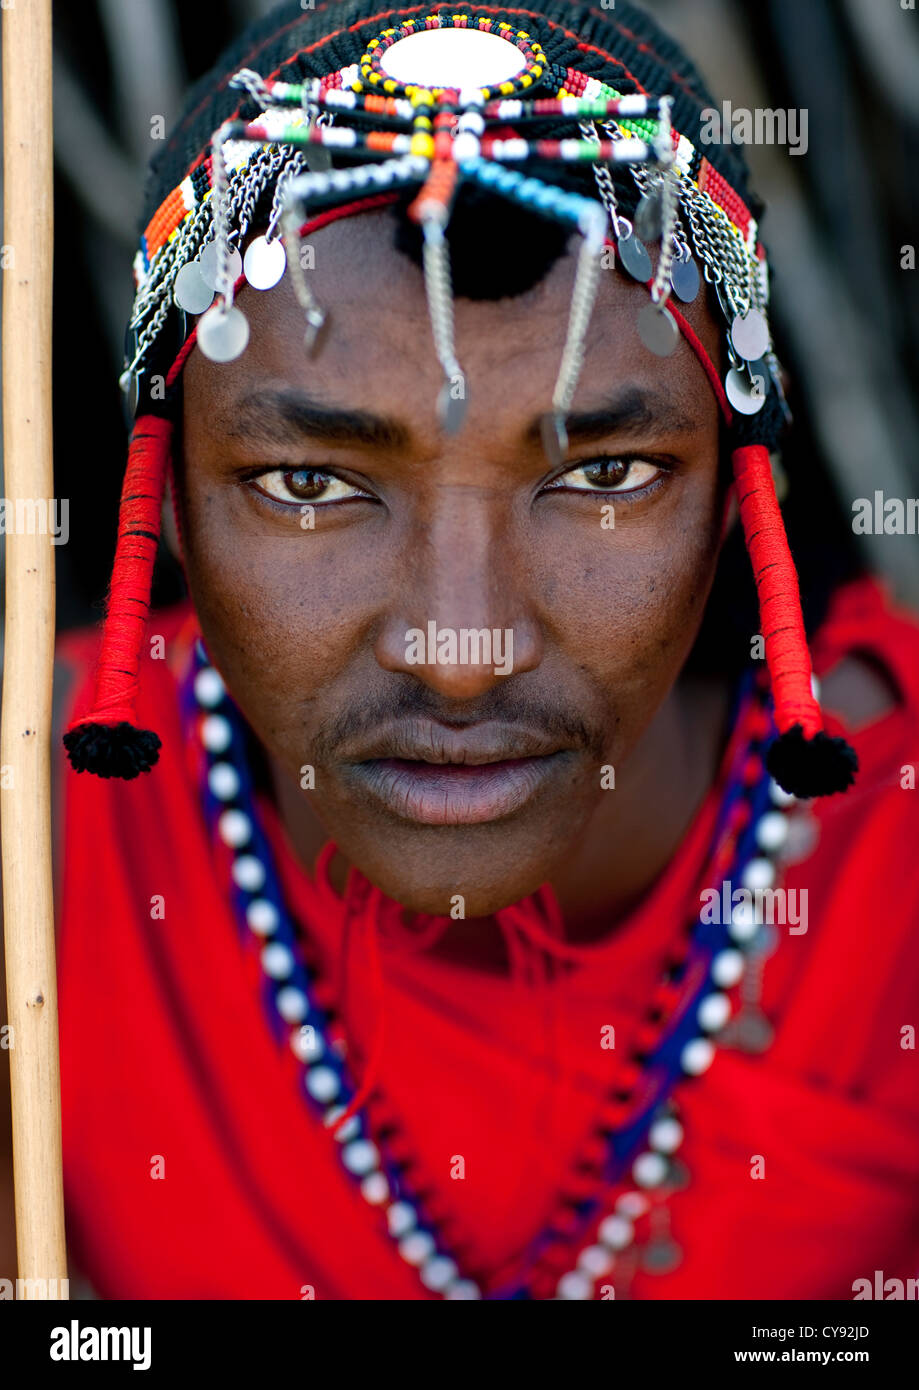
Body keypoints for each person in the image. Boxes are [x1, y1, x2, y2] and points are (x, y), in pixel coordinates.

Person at [8, 0, 919, 1300]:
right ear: (175, 519)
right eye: (309, 485)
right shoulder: (39, 837)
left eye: (603, 470)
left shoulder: (896, 882)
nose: (461, 652)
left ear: (734, 502)